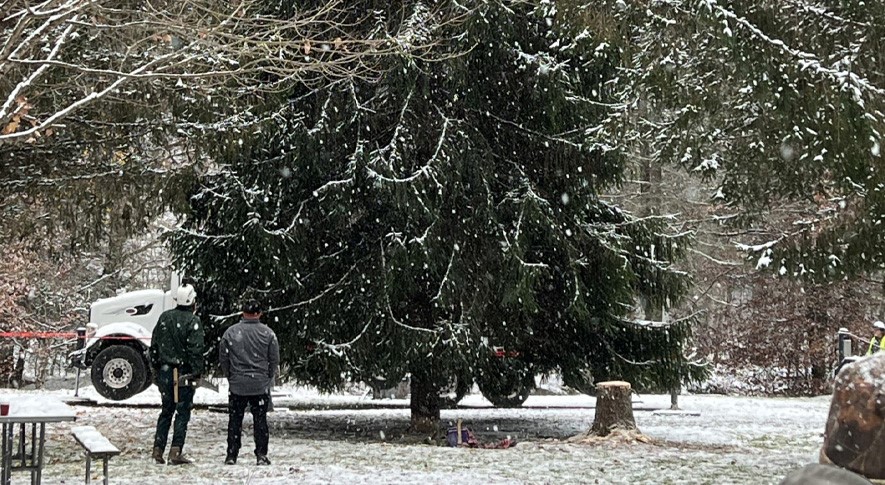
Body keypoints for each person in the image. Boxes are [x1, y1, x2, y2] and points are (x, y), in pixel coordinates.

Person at [219, 299, 279, 466]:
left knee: (235, 420)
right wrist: (267, 376)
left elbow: (224, 357)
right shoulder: (268, 333)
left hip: (238, 384)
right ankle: (261, 454)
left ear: (242, 312)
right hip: (259, 385)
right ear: (259, 313)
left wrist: (230, 375)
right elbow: (274, 359)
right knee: (260, 421)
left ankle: (231, 454)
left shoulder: (231, 333)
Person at [149, 284, 204, 465]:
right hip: (183, 374)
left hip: (165, 372)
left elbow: (154, 347)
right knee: (182, 412)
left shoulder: (165, 317)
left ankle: (158, 449)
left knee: (166, 411)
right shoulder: (193, 322)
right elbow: (195, 350)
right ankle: (176, 450)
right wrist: (197, 372)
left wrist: (156, 369)